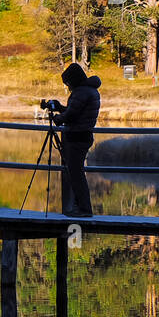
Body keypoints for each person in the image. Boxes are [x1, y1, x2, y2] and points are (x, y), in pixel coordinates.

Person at [50, 62, 101, 218]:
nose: (68, 86)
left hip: (78, 136)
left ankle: (84, 209)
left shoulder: (81, 92)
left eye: (68, 83)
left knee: (76, 174)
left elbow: (72, 115)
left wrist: (58, 118)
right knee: (76, 173)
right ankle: (81, 208)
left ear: (74, 79)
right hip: (83, 135)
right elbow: (75, 111)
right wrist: (60, 108)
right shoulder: (88, 91)